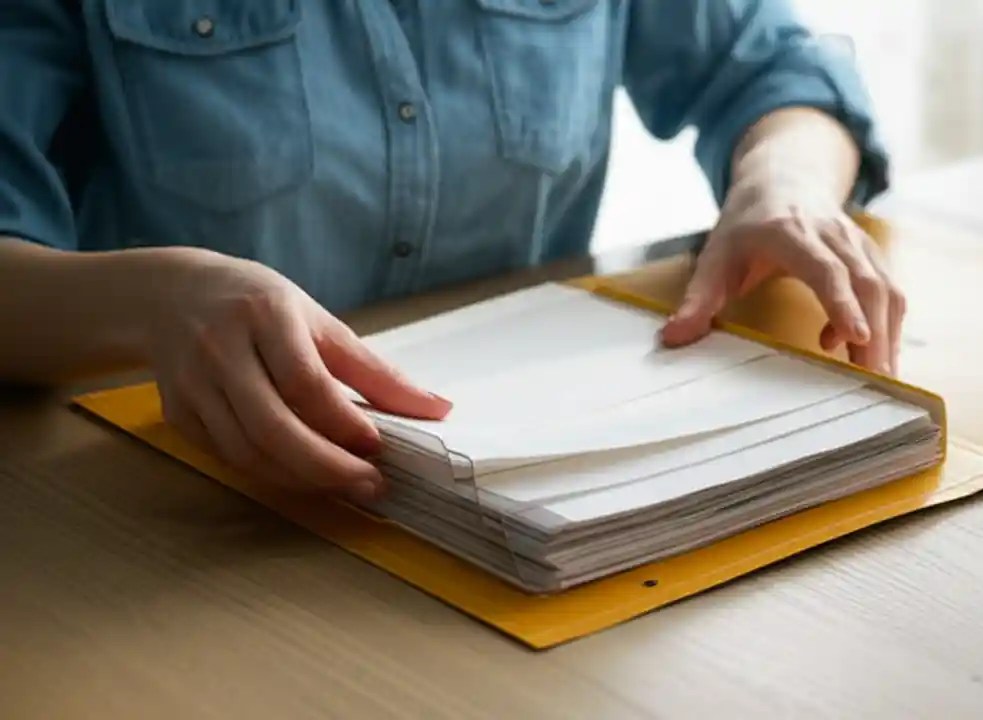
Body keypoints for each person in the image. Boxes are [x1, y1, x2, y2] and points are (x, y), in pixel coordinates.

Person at [0, 0, 903, 502]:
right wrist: (155, 302)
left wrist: (784, 179)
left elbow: (772, 68)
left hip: (547, 487)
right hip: (185, 499)